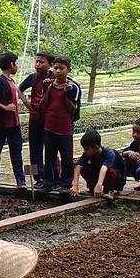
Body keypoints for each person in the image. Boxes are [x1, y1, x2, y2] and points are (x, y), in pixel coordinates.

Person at [39, 56, 80, 194]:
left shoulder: (72, 87)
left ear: (69, 70)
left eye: (61, 68)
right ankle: (48, 182)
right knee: (49, 156)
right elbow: (43, 105)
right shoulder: (49, 84)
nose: (58, 71)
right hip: (50, 125)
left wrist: (67, 94)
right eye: (56, 68)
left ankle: (65, 183)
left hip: (65, 127)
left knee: (66, 157)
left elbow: (72, 109)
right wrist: (47, 89)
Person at [0, 52, 26, 188]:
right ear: (11, 64)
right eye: (16, 63)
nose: (17, 66)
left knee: (17, 151)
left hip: (14, 123)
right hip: (2, 123)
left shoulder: (11, 81)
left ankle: (20, 179)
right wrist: (4, 107)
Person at [18, 52, 53, 187]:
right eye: (36, 61)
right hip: (34, 118)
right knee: (34, 149)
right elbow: (19, 89)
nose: (37, 64)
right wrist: (26, 103)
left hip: (48, 118)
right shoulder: (32, 78)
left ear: (49, 64)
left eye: (41, 62)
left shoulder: (53, 77)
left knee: (50, 148)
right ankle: (38, 177)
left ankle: (51, 176)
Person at [71, 129, 124, 198]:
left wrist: (99, 184)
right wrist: (75, 185)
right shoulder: (88, 154)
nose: (85, 151)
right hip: (99, 174)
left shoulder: (109, 153)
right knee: (84, 167)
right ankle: (92, 189)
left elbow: (104, 168)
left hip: (113, 178)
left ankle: (109, 190)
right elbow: (78, 166)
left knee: (109, 171)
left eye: (87, 149)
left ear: (96, 147)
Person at [122, 118, 140, 189]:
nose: (135, 135)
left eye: (138, 132)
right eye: (133, 132)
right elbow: (123, 153)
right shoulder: (136, 143)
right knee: (126, 161)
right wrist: (130, 152)